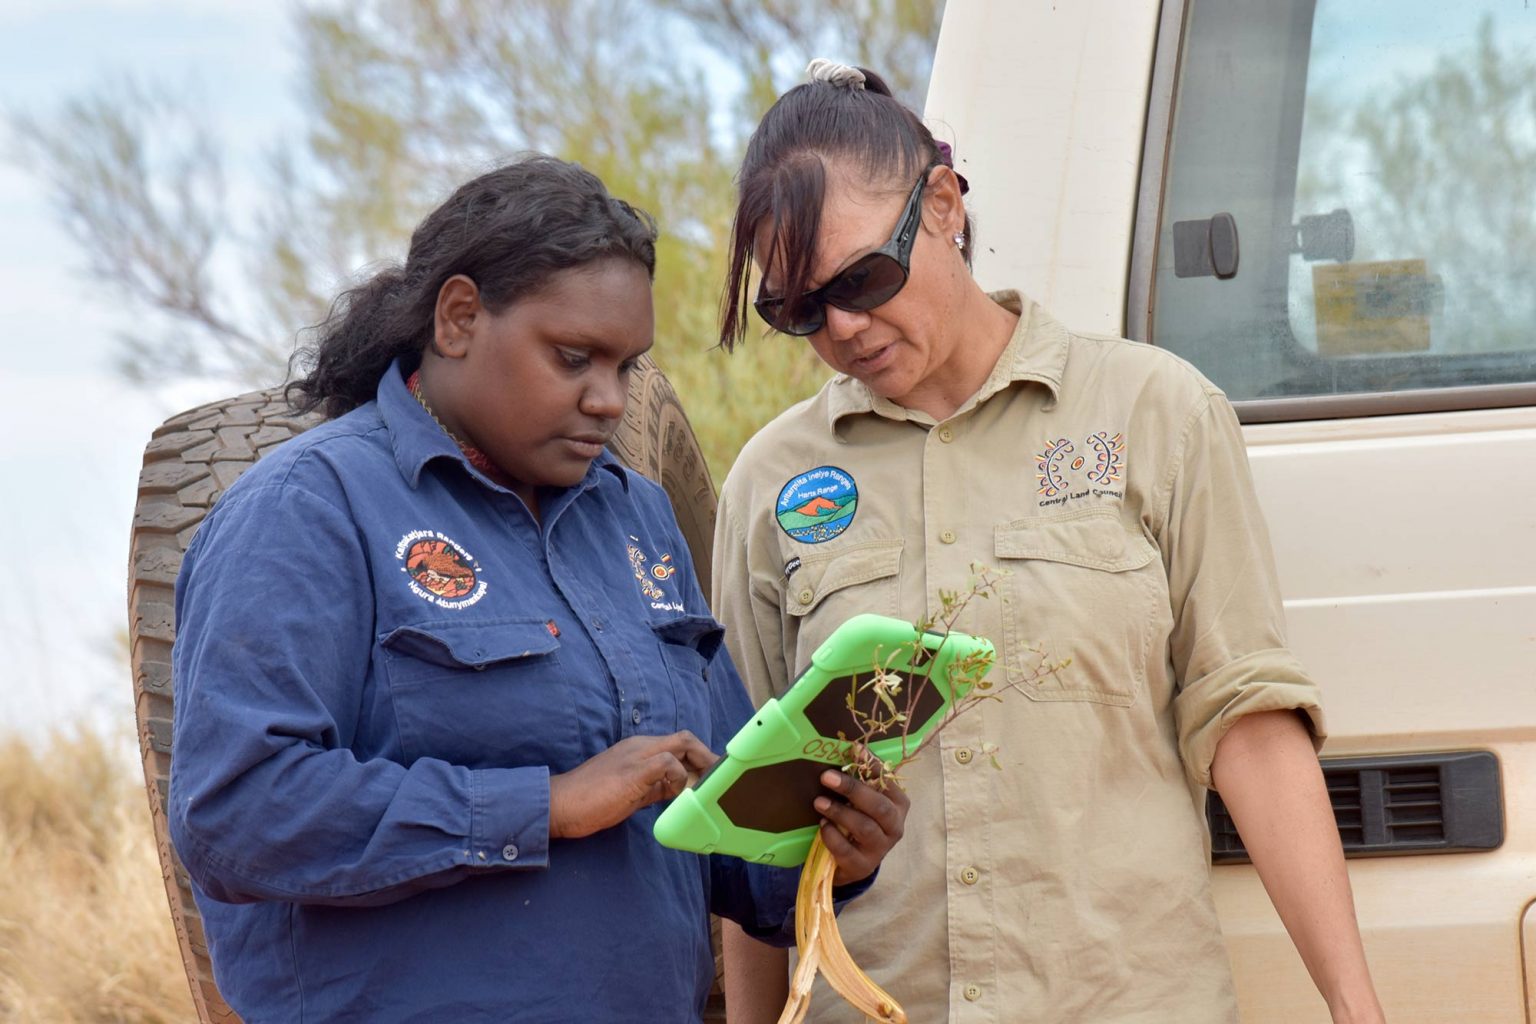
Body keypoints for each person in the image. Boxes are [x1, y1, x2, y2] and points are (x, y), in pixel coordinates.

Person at [710, 62, 1386, 1024]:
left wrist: (1356, 1008)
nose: (846, 328)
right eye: (802, 311)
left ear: (942, 202)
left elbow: (1249, 727)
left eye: (863, 277)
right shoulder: (769, 485)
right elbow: (757, 828)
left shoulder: (1158, 413)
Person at [167, 154, 908, 1023]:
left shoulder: (636, 518)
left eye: (627, 367)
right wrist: (544, 806)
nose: (608, 400)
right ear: (458, 318)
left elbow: (723, 847)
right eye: (573, 358)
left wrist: (833, 850)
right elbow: (237, 812)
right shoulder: (310, 509)